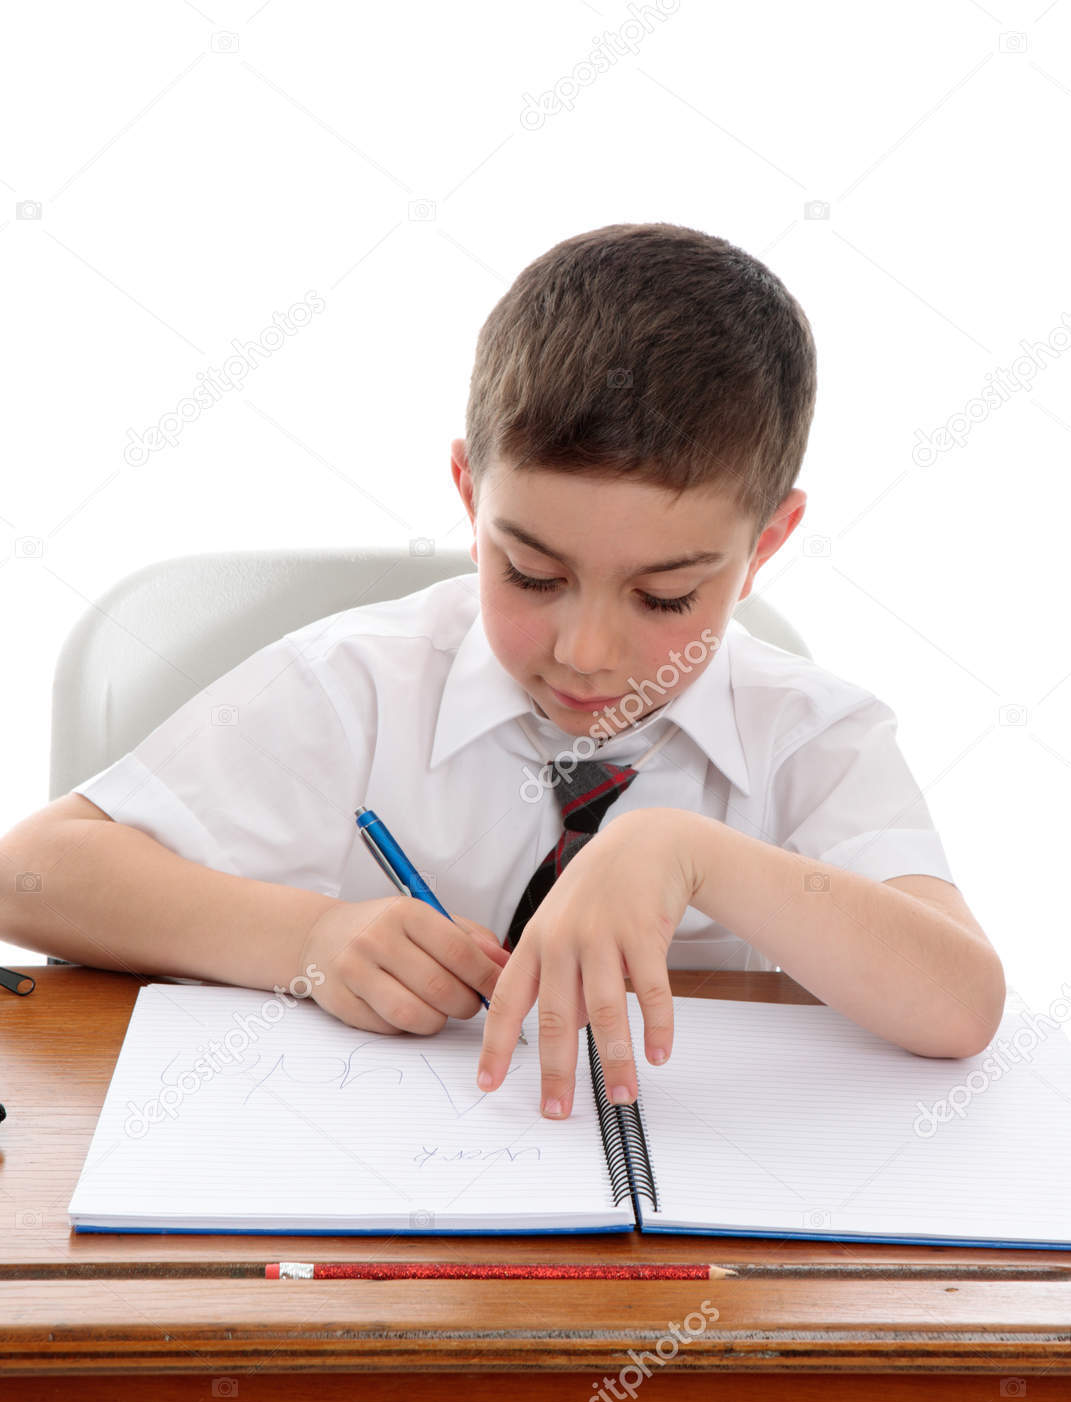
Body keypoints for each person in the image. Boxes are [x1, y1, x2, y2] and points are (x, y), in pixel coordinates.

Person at [0, 223, 1005, 1120]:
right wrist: (306, 936)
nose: (586, 651)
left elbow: (960, 1001)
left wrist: (693, 853)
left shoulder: (810, 735)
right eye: (530, 573)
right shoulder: (357, 686)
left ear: (767, 545)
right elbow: (29, 874)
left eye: (663, 598)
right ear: (469, 495)